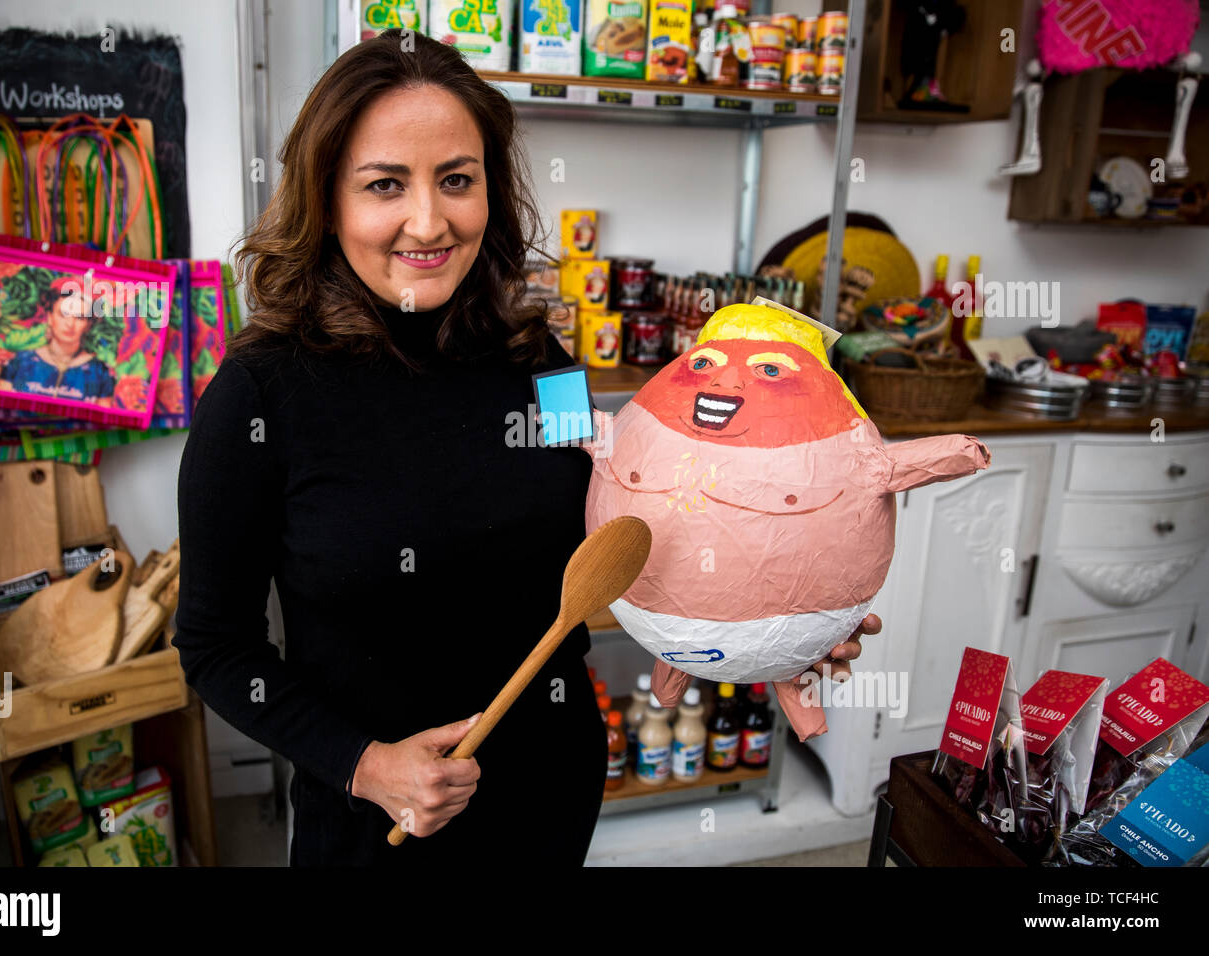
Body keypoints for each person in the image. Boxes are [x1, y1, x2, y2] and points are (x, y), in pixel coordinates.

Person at [173, 30, 880, 867]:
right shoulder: (259, 395)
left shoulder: (537, 358)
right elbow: (216, 646)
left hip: (553, 785)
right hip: (379, 823)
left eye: (456, 180)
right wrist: (365, 766)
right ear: (327, 199)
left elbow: (614, 538)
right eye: (385, 184)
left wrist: (773, 610)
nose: (428, 221)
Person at [0, 282, 115, 404]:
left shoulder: (100, 373)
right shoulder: (18, 363)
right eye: (63, 315)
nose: (70, 324)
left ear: (88, 324)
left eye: (80, 318)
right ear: (50, 317)